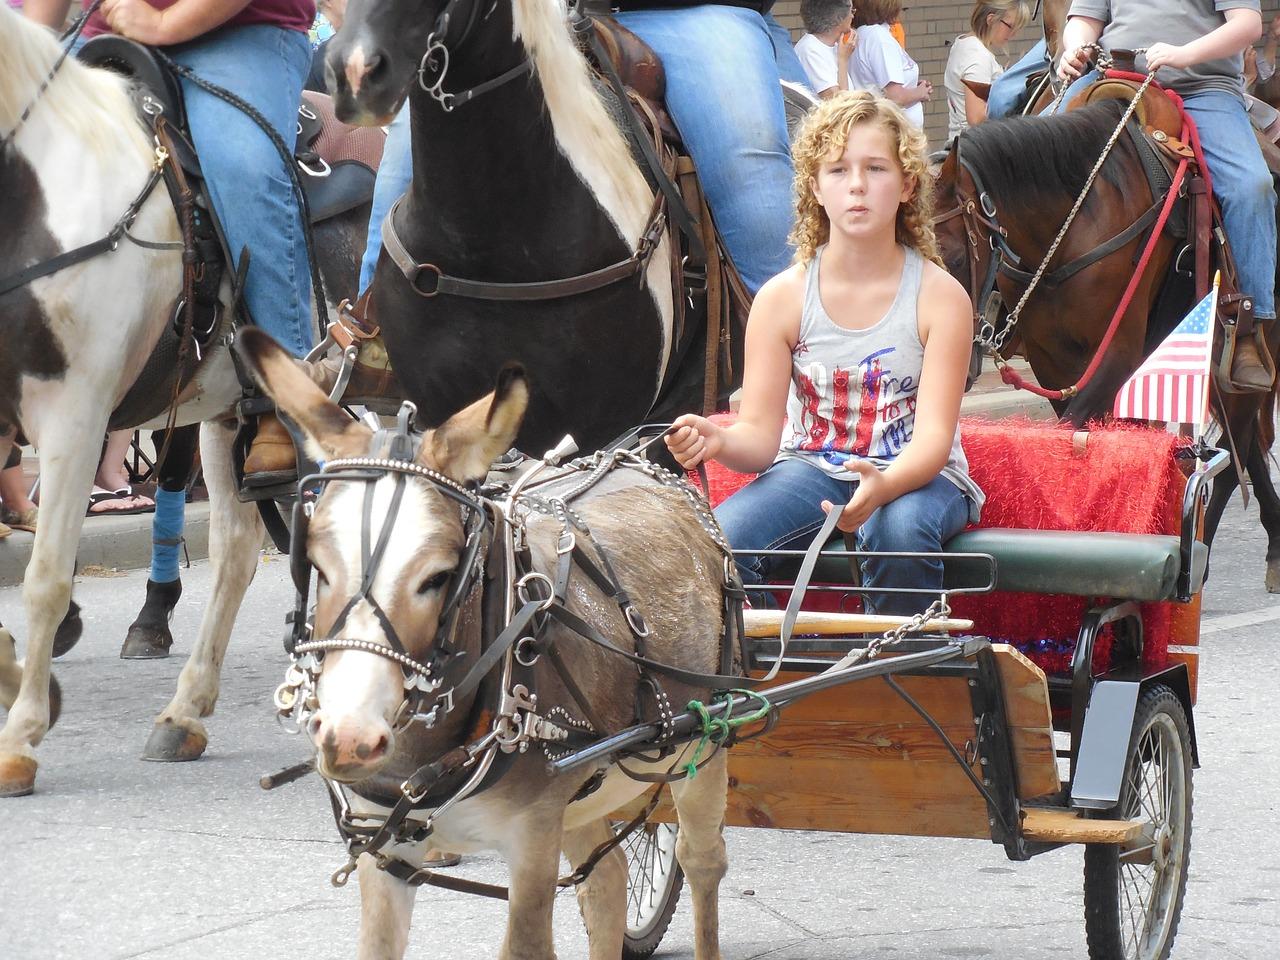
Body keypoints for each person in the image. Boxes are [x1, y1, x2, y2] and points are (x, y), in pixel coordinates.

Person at [664, 91, 984, 616]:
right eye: (838, 170)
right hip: (811, 467)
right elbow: (760, 441)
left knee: (896, 529)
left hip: (919, 475)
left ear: (907, 185)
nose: (856, 184)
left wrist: (883, 486)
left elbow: (932, 442)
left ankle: (906, 675)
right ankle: (786, 679)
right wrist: (718, 439)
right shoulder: (782, 299)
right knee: (724, 541)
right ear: (814, 186)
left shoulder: (940, 295)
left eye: (876, 168)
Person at [74, 0, 319, 479]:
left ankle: (285, 399)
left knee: (244, 169)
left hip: (238, 31)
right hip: (105, 30)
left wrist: (166, 22)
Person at [1057, 0, 1276, 390]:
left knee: (1251, 187)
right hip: (1113, 82)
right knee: (1028, 157)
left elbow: (1246, 25)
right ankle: (1008, 297)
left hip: (1202, 89)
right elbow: (1084, 20)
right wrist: (1075, 48)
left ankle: (1248, 327)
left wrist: (1183, 54)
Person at [944, 1, 1030, 140]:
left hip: (964, 142)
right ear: (991, 19)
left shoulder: (964, 43)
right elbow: (976, 118)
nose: (1013, 34)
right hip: (977, 147)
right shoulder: (978, 55)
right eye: (1010, 26)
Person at [849, 0, 932, 129]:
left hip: (877, 125)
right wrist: (920, 92)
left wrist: (910, 85)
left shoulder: (863, 34)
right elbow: (896, 97)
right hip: (895, 129)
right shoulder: (879, 38)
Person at [795, 0, 857, 100]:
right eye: (851, 11)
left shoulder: (836, 47)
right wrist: (843, 61)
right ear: (838, 18)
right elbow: (839, 104)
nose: (852, 16)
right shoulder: (810, 50)